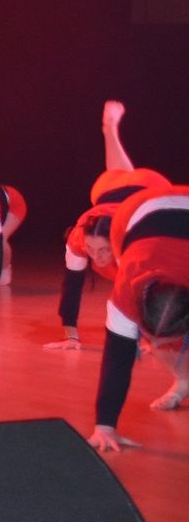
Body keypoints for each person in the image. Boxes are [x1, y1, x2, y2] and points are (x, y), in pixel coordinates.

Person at [49, 101, 169, 349]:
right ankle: (110, 129)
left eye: (103, 250)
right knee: (120, 175)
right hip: (108, 188)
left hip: (150, 188)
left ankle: (111, 129)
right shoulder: (79, 240)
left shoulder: (138, 240)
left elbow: (147, 290)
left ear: (116, 241)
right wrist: (70, 335)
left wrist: (149, 335)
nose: (96, 256)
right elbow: (72, 286)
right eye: (92, 250)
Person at [85, 183, 189, 455]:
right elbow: (116, 358)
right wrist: (104, 426)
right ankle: (184, 380)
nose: (152, 345)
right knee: (138, 340)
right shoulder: (128, 288)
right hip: (137, 212)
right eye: (149, 336)